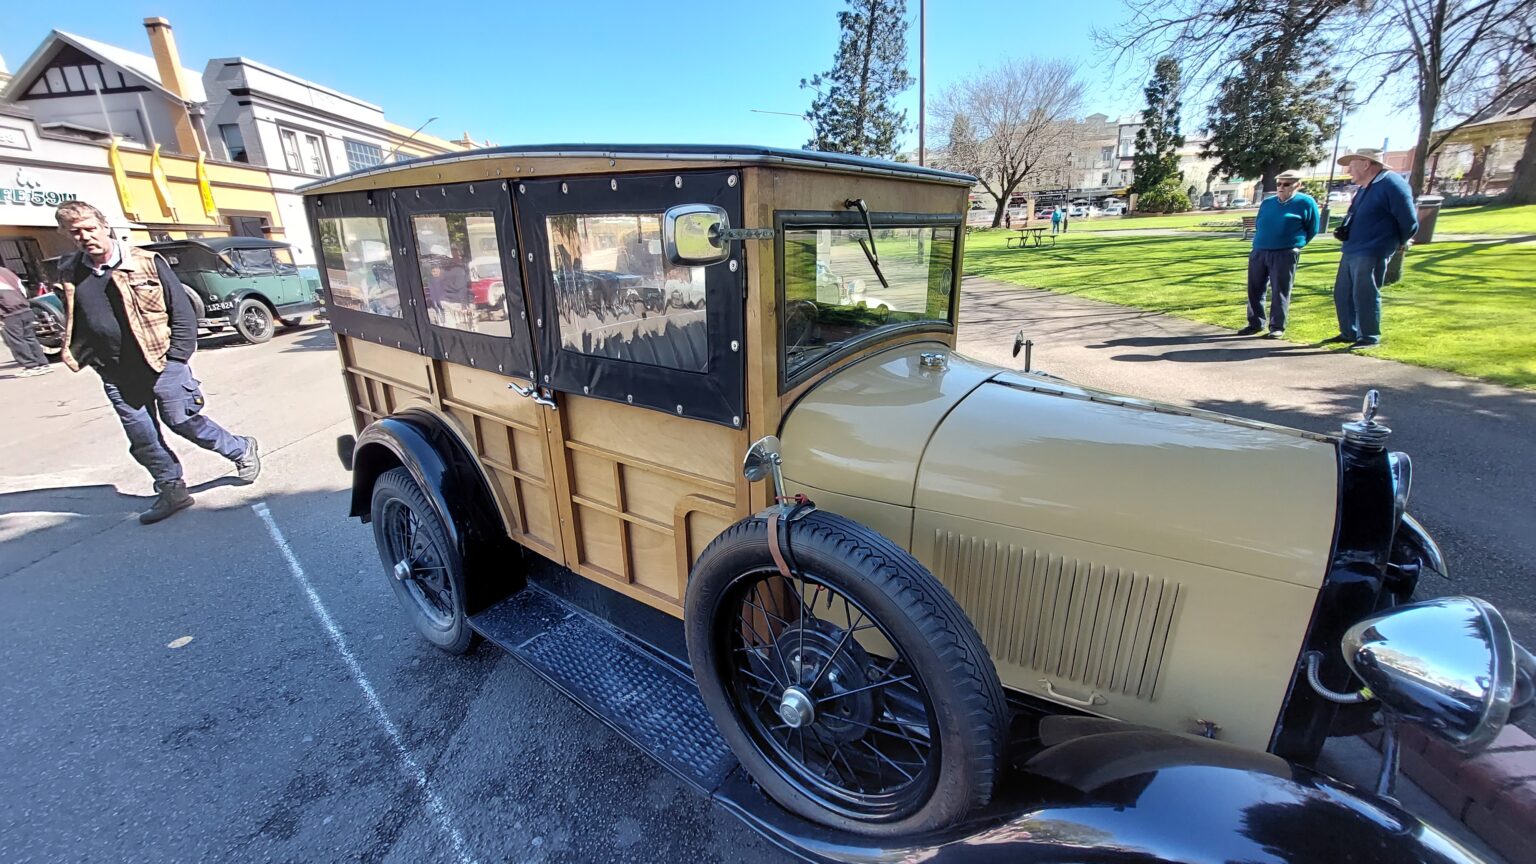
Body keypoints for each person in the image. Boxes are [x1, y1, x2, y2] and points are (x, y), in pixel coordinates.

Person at [53, 201, 260, 524]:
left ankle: (240, 449)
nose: (85, 237)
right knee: (143, 437)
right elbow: (77, 319)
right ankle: (171, 488)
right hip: (116, 373)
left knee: (184, 421)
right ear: (67, 235)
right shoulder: (71, 271)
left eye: (90, 228)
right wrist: (92, 359)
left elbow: (183, 312)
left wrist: (178, 361)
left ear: (105, 226)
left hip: (163, 362)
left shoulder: (146, 263)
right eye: (76, 232)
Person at [1328, 148, 1418, 348]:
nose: (1349, 170)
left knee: (1365, 293)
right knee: (1342, 293)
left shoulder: (1392, 184)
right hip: (1352, 248)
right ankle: (1349, 332)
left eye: (1352, 166)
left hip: (1373, 248)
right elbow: (1355, 214)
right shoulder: (1364, 188)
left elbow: (1409, 221)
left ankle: (1368, 337)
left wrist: (1398, 242)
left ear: (1366, 164)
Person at [1237, 170, 1319, 339]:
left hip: (1285, 253)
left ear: (1297, 185)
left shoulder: (1306, 202)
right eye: (1279, 184)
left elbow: (1313, 229)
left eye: (1286, 184)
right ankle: (1255, 323)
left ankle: (1277, 326)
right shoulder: (1268, 203)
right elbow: (1261, 223)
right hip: (1260, 250)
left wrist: (1296, 245)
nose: (1281, 187)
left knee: (1280, 290)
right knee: (1254, 289)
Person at [1, 265, 52, 376]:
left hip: (9, 312)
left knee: (16, 340)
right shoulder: (6, 271)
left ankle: (31, 366)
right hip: (25, 308)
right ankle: (42, 363)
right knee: (30, 337)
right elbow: (23, 289)